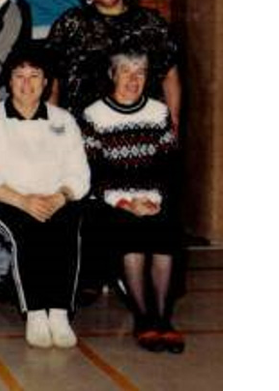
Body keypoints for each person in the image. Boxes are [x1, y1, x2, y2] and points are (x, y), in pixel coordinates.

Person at [0, 43, 90, 349]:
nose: (26, 84)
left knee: (68, 224)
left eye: (34, 76)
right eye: (19, 76)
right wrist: (24, 201)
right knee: (28, 229)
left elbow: (79, 175)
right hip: (2, 199)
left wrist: (60, 197)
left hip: (54, 198)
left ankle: (60, 313)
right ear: (9, 81)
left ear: (46, 81)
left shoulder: (63, 119)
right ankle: (36, 312)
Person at [80, 50, 184, 354]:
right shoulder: (94, 114)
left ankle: (164, 318)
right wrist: (126, 202)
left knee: (166, 232)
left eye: (140, 72)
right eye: (126, 71)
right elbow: (93, 173)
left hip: (153, 197)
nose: (133, 79)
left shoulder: (159, 112)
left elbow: (169, 166)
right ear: (113, 75)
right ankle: (143, 317)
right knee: (131, 236)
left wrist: (154, 200)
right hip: (112, 201)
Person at [46, 0, 181, 124]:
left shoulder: (152, 24)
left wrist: (173, 122)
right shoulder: (71, 23)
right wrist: (52, 125)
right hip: (81, 131)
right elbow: (51, 79)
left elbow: (170, 75)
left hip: (142, 129)